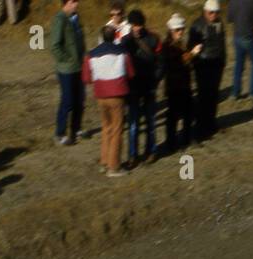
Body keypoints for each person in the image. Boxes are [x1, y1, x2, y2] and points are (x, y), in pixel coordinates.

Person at [83, 23, 135, 177]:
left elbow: (86, 78)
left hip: (100, 95)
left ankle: (104, 162)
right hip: (117, 95)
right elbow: (131, 73)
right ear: (114, 38)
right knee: (117, 130)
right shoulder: (122, 52)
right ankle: (114, 166)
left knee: (106, 128)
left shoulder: (90, 55)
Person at [159, 14, 199, 153]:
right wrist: (192, 54)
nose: (180, 32)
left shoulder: (181, 43)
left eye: (182, 29)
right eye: (177, 30)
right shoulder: (167, 46)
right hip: (174, 86)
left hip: (184, 84)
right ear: (171, 31)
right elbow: (176, 63)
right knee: (173, 116)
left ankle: (186, 139)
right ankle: (171, 142)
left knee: (188, 112)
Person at [124, 10, 160, 164]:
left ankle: (151, 151)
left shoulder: (153, 40)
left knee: (151, 121)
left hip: (149, 86)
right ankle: (133, 155)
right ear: (130, 25)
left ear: (142, 25)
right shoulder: (125, 42)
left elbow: (161, 63)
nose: (136, 28)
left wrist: (155, 81)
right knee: (133, 124)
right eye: (134, 25)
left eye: (138, 25)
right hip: (133, 87)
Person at [189, 0, 227, 140]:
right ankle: (200, 127)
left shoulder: (220, 23)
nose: (214, 15)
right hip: (203, 64)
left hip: (216, 63)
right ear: (205, 11)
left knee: (213, 96)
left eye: (216, 12)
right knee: (203, 97)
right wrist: (195, 61)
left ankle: (211, 123)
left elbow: (222, 43)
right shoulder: (197, 25)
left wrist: (223, 60)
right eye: (211, 12)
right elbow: (191, 46)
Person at [50, 0, 87, 145]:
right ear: (66, 3)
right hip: (66, 69)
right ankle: (60, 133)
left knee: (79, 99)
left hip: (79, 67)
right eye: (73, 1)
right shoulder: (60, 19)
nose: (77, 4)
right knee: (67, 100)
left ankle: (76, 129)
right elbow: (54, 46)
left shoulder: (76, 18)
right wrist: (68, 59)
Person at [229, 0, 253, 99]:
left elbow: (230, 19)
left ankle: (235, 92)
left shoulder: (233, 2)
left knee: (239, 65)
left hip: (237, 36)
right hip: (249, 36)